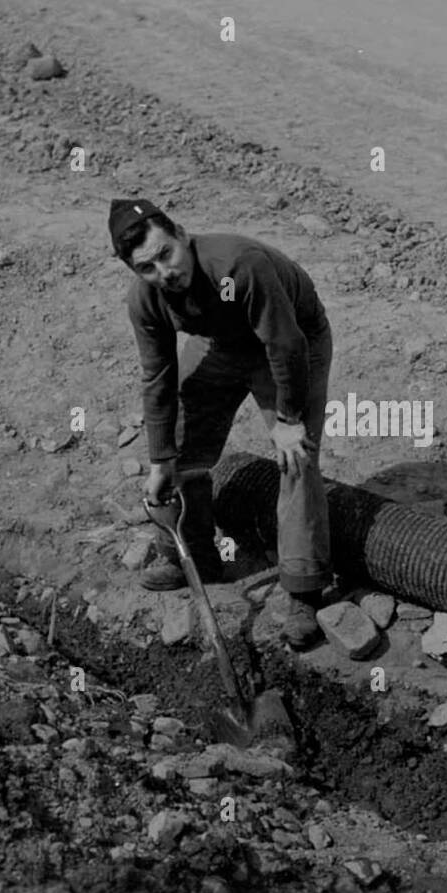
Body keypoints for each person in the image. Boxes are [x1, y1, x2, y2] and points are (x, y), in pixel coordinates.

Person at [109, 198, 332, 648]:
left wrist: (288, 420)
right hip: (221, 345)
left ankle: (304, 591)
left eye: (166, 254)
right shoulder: (146, 299)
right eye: (147, 267)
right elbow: (157, 376)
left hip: (291, 340)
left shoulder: (238, 266)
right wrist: (159, 461)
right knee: (179, 449)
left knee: (296, 458)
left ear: (183, 236)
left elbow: (285, 344)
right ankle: (191, 556)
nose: (164, 272)